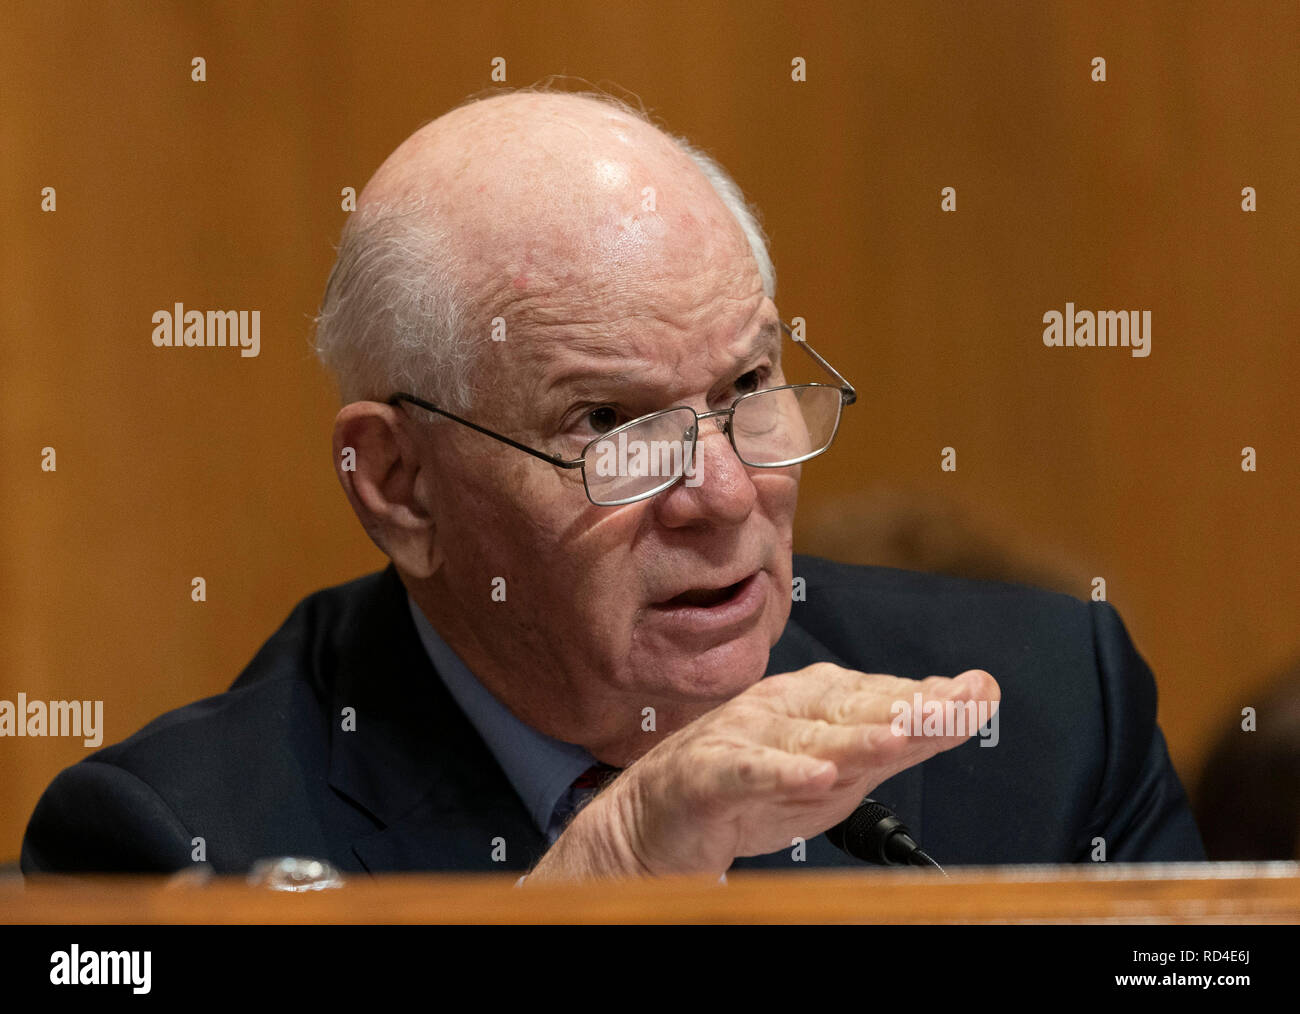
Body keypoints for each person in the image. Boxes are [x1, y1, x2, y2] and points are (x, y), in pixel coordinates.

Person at [22, 88, 1204, 878]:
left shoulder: (1051, 721)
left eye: (749, 381)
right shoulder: (173, 845)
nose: (727, 496)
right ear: (401, 487)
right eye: (610, 424)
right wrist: (606, 874)